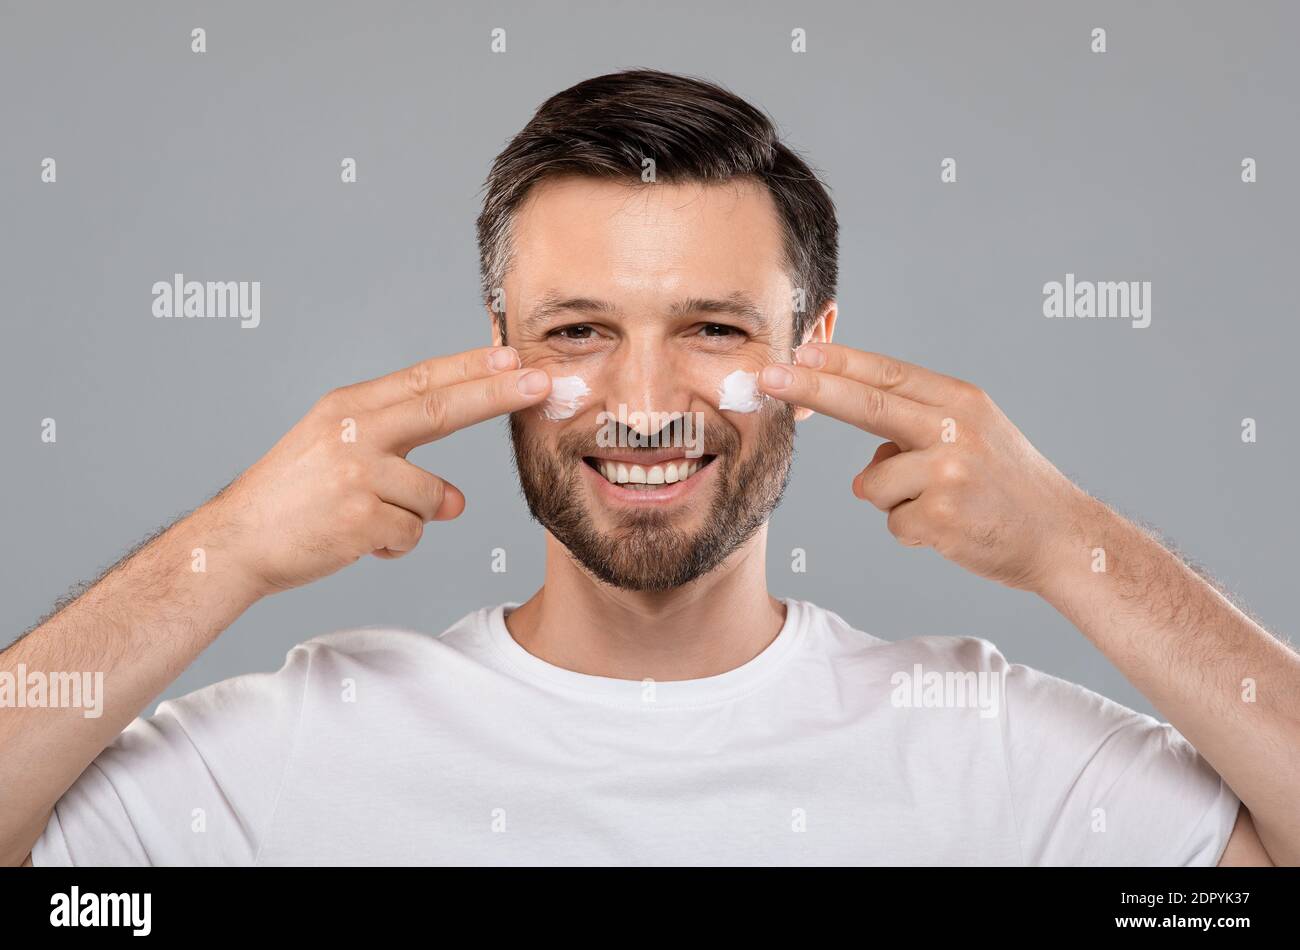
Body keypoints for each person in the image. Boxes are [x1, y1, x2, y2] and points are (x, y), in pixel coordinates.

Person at [3, 70, 1293, 866]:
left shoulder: (997, 760)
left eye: (713, 330)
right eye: (579, 333)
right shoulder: (287, 756)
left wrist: (1072, 546)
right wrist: (222, 550)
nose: (642, 406)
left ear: (815, 349)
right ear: (499, 346)